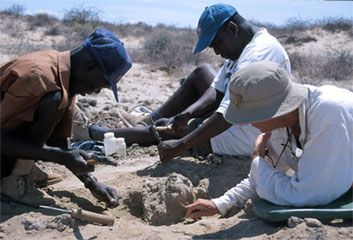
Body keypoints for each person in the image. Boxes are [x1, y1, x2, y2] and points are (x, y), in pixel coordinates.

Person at [81, 3, 291, 162]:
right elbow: (216, 90)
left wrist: (181, 145)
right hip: (242, 114)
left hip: (254, 134)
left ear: (232, 29)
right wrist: (189, 113)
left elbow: (226, 115)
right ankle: (147, 121)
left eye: (217, 43)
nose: (217, 51)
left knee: (171, 130)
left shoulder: (258, 55)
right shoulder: (241, 47)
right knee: (201, 76)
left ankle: (100, 134)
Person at [185, 61, 353, 220]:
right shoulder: (282, 120)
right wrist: (221, 203)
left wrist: (257, 159)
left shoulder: (328, 114)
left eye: (251, 116)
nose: (248, 123)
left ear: (274, 110)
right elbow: (261, 175)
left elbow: (310, 194)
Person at [0, 28, 132, 207]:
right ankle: (13, 177)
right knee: (53, 100)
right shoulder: (40, 77)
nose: (96, 91)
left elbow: (59, 141)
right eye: (100, 84)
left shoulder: (63, 76)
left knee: (55, 101)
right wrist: (61, 157)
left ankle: (24, 168)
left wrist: (91, 183)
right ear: (90, 67)